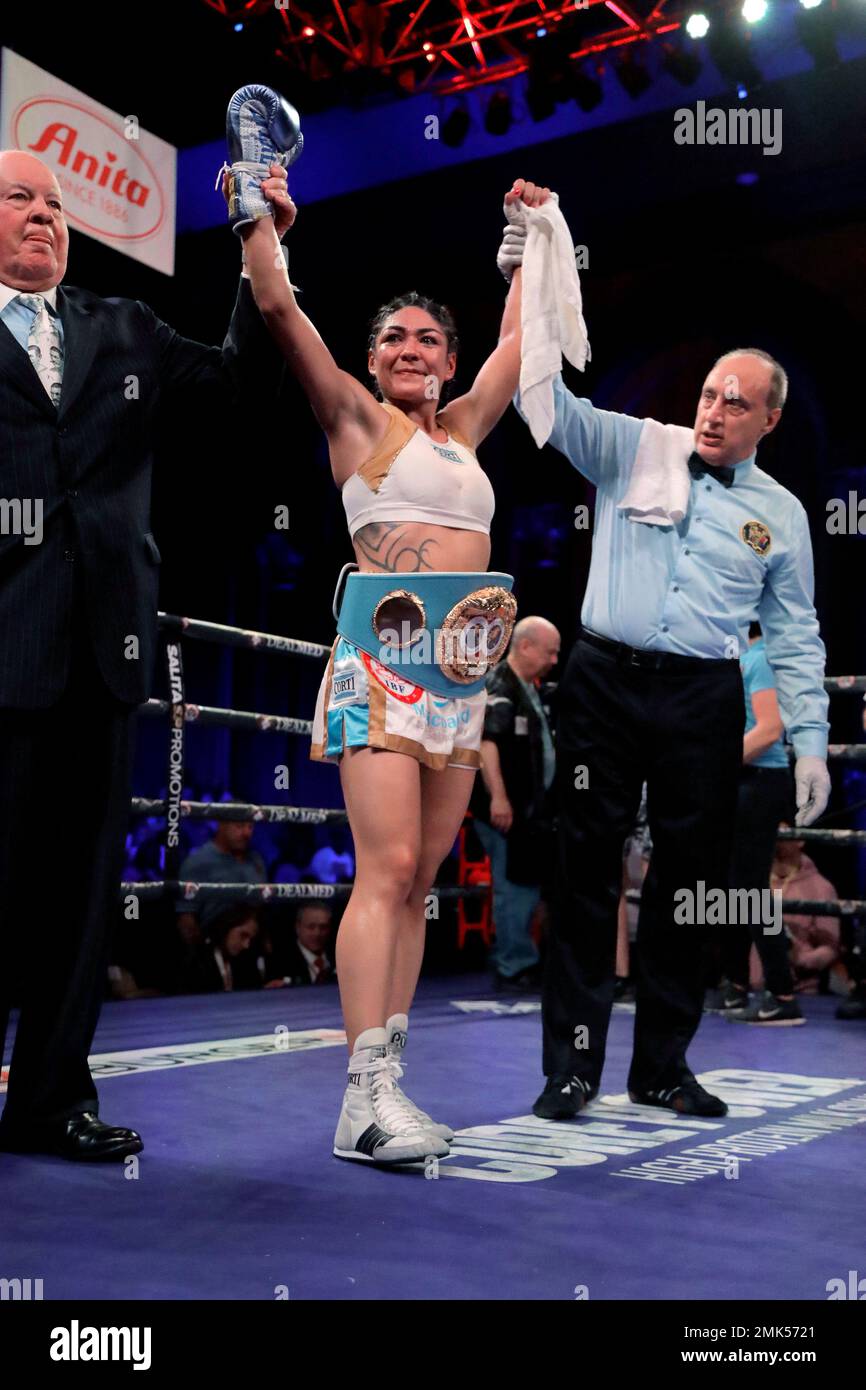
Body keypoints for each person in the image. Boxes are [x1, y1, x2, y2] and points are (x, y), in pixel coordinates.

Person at [237, 161, 551, 1165]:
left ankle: (390, 1083)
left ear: (445, 360)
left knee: (417, 882)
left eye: (426, 338)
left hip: (460, 672)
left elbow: (517, 340)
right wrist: (259, 215)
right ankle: (359, 1095)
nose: (409, 348)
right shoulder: (356, 423)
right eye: (392, 338)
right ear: (370, 361)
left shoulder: (464, 434)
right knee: (388, 867)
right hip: (380, 655)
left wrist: (526, 242)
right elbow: (279, 308)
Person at [0, 150, 290, 1162]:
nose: (45, 213)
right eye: (20, 197)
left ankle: (47, 1100)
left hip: (104, 655)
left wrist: (259, 247)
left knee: (80, 900)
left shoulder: (120, 327)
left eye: (56, 202)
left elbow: (236, 377)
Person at [511, 328, 831, 1120]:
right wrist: (537, 272)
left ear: (769, 422)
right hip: (604, 680)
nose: (717, 410)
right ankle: (572, 1069)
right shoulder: (635, 448)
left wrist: (811, 742)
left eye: (738, 401)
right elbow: (541, 403)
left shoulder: (782, 516)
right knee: (585, 872)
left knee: (691, 888)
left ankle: (660, 1066)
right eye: (710, 393)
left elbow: (794, 633)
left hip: (701, 695)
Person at [470, 616, 560, 990]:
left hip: (529, 811)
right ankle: (512, 966)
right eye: (549, 651)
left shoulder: (529, 688)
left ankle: (525, 960)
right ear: (525, 646)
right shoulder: (500, 682)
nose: (555, 659)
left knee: (526, 884)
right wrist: (500, 798)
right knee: (513, 885)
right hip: (506, 809)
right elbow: (487, 742)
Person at [722, 621, 803, 1024]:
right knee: (734, 885)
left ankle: (783, 992)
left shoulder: (760, 659)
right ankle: (736, 986)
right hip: (748, 778)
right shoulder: (748, 658)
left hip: (760, 779)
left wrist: (715, 764)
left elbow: (769, 730)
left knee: (750, 889)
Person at [176, 818, 266, 948]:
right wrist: (203, 956)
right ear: (222, 826)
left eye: (250, 827)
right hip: (212, 945)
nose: (247, 832)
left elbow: (262, 909)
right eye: (240, 826)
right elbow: (186, 919)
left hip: (252, 946)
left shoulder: (256, 861)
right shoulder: (198, 862)